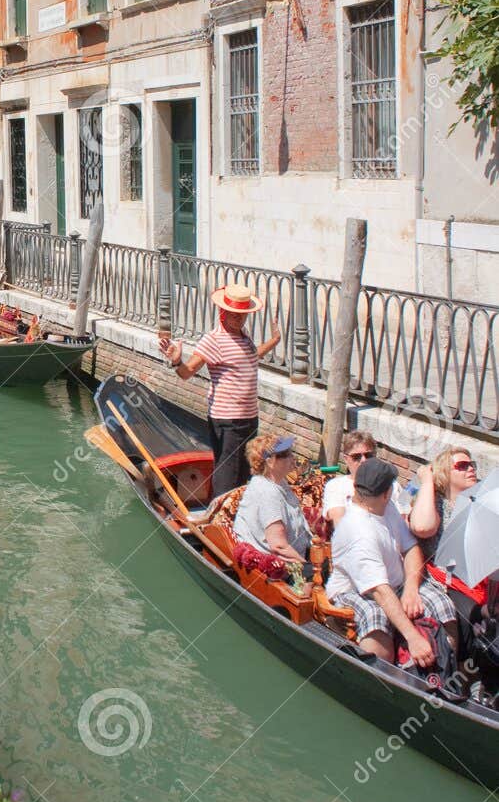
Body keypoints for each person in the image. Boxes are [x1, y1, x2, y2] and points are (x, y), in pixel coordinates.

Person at [326, 457, 457, 669]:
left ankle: (448, 671)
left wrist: (411, 590)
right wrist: (413, 637)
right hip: (355, 590)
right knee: (376, 618)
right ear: (386, 493)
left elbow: (412, 548)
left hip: (395, 585)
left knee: (441, 604)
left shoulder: (387, 508)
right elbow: (379, 591)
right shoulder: (358, 533)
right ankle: (381, 678)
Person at [159, 284, 281, 497]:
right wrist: (177, 361)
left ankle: (237, 515)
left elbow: (250, 357)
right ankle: (219, 521)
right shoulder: (213, 340)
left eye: (243, 315)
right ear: (222, 312)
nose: (239, 319)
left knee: (245, 472)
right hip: (227, 420)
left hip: (250, 417)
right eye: (234, 315)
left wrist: (274, 341)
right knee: (227, 474)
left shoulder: (244, 336)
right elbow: (187, 373)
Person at [232, 434, 312, 573]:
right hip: (282, 569)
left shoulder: (279, 482)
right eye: (286, 454)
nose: (292, 457)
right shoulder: (267, 493)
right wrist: (308, 570)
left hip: (300, 555)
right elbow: (278, 545)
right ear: (269, 462)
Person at [409, 446, 480, 563]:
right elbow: (422, 528)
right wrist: (427, 481)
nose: (471, 468)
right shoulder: (436, 503)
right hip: (439, 579)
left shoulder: (476, 504)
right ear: (444, 472)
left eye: (472, 464)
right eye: (462, 465)